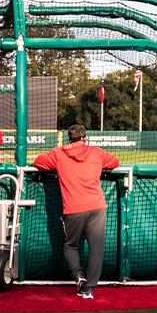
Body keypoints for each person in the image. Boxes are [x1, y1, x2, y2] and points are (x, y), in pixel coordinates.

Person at [33, 123, 120, 299]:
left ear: (69, 138)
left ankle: (78, 275)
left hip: (73, 208)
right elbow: (115, 162)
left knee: (70, 245)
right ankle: (89, 289)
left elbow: (38, 162)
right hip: (96, 206)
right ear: (85, 138)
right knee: (97, 249)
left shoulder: (58, 153)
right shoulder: (96, 152)